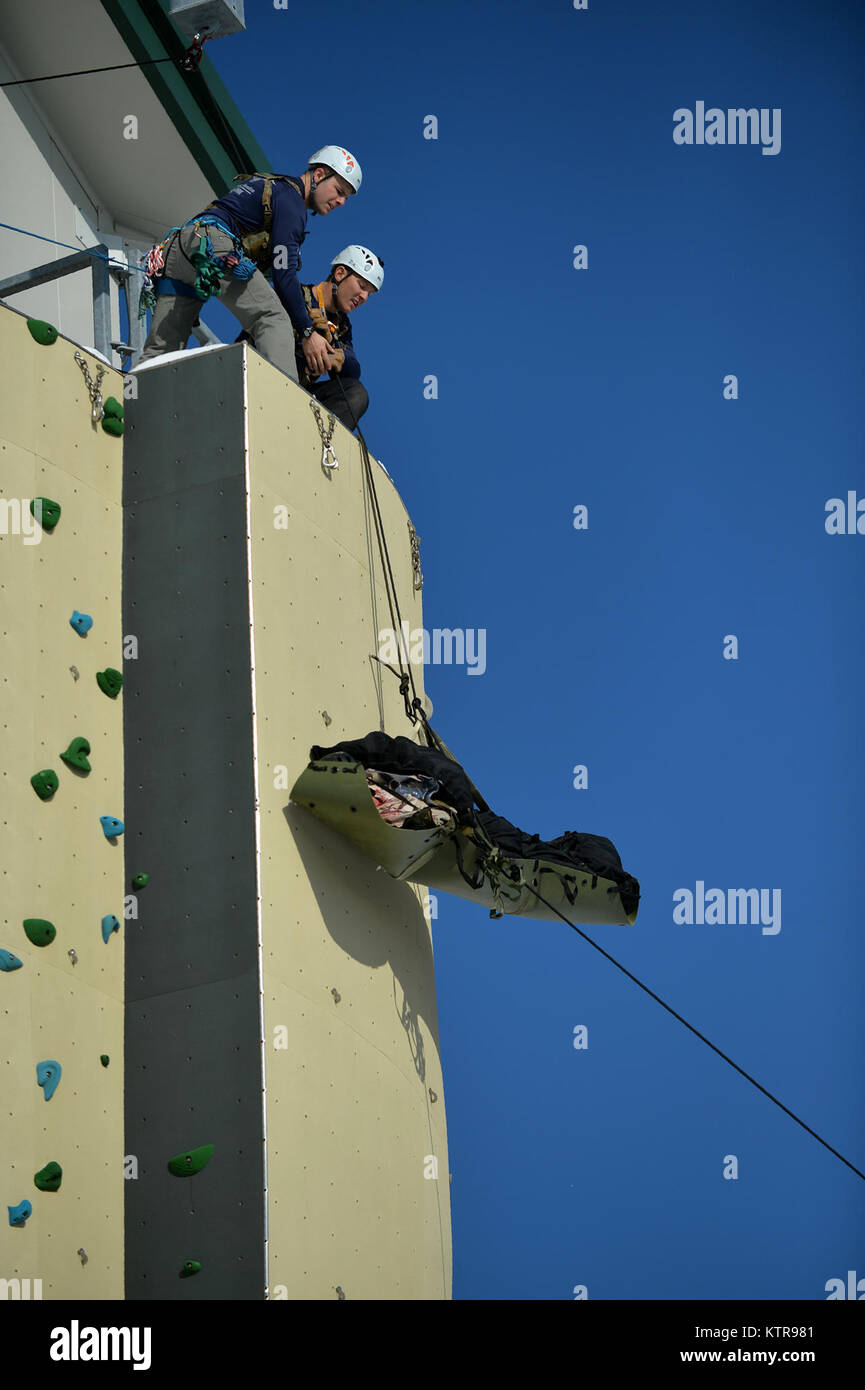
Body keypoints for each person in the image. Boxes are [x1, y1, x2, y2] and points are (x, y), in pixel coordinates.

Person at [136, 146, 361, 382]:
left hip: (183, 247)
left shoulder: (274, 187)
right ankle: (286, 407)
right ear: (318, 175)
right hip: (214, 247)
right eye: (339, 190)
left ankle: (131, 399)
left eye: (346, 196)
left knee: (161, 351)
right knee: (273, 318)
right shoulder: (292, 201)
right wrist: (307, 331)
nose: (342, 201)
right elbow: (284, 275)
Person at [296, 245, 384, 431]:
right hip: (264, 373)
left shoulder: (342, 326)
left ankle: (319, 446)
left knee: (356, 393)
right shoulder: (296, 296)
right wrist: (306, 331)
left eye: (370, 293)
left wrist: (336, 353)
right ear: (339, 273)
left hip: (296, 393)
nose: (364, 297)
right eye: (362, 286)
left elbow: (353, 372)